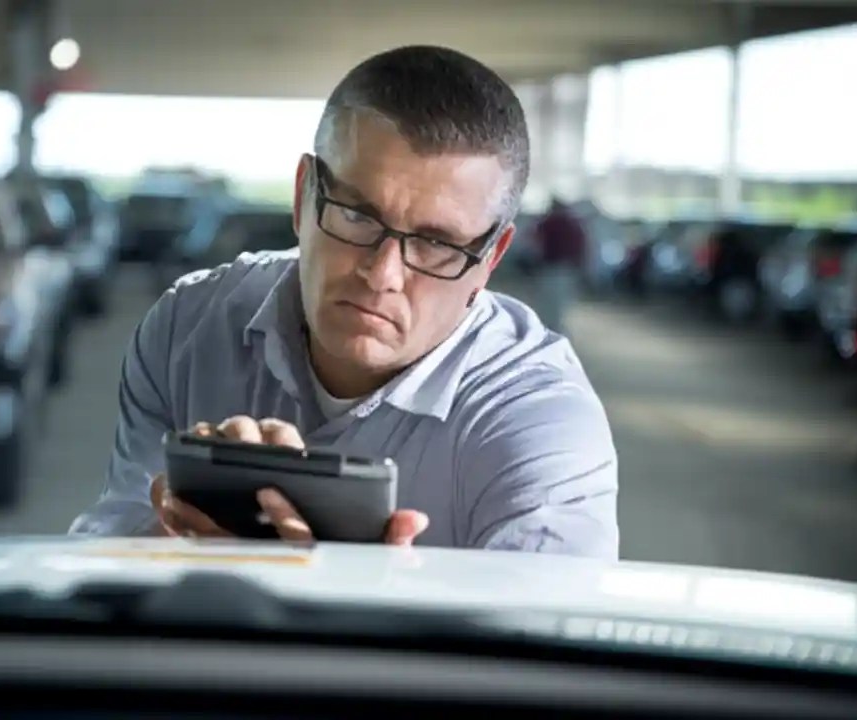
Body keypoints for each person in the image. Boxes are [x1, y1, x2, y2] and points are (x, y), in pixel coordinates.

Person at [70, 45, 619, 558]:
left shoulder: (537, 419)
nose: (382, 274)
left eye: (435, 243)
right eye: (356, 216)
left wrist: (370, 594)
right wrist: (175, 530)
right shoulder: (187, 329)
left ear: (492, 255)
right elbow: (110, 551)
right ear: (303, 195)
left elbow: (541, 638)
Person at [532, 197, 587, 337]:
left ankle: (548, 332)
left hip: (551, 268)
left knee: (548, 304)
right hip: (567, 269)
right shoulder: (574, 224)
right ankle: (554, 332)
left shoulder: (549, 222)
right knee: (559, 305)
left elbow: (534, 239)